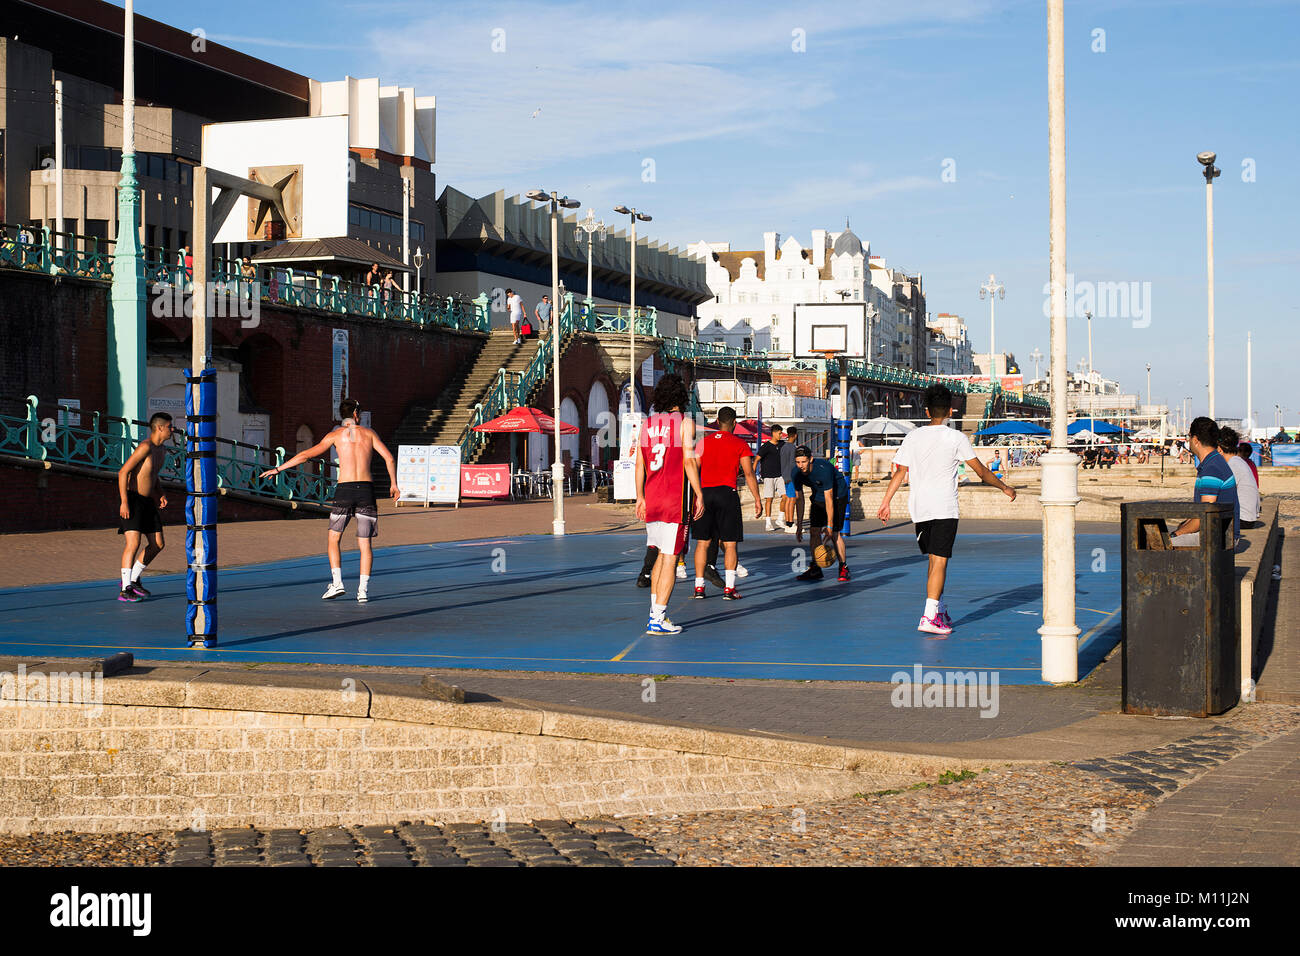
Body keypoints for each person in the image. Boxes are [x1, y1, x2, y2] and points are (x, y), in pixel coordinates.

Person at [877, 384, 1017, 636]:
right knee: (940, 562)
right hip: (944, 507)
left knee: (934, 561)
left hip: (919, 509)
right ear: (951, 411)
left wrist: (886, 501)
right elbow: (981, 471)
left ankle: (938, 609)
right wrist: (1005, 487)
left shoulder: (913, 436)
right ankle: (929, 616)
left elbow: (900, 471)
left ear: (927, 410)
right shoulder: (956, 438)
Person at [260, 398, 398, 603]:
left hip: (344, 490)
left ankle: (338, 583)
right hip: (366, 491)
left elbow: (306, 455)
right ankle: (363, 591)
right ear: (356, 415)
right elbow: (389, 458)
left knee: (334, 539)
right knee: (365, 543)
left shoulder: (335, 436)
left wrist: (278, 468)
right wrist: (393, 484)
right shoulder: (369, 434)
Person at [635, 373, 705, 634]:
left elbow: (640, 465)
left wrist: (640, 497)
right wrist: (699, 493)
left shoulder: (647, 424)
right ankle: (658, 617)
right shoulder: (685, 423)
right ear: (681, 397)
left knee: (658, 557)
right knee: (670, 559)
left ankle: (655, 613)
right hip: (675, 499)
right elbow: (689, 461)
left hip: (652, 498)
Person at [692, 406, 761, 600]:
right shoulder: (740, 444)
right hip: (727, 493)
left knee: (703, 543)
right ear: (734, 423)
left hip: (705, 493)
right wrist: (757, 499)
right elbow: (748, 473)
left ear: (717, 422)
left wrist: (696, 496)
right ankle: (729, 589)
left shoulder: (703, 443)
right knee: (730, 544)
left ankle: (699, 588)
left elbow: (693, 470)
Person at [116, 412, 175, 602]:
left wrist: (160, 493)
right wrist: (124, 502)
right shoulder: (145, 447)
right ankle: (125, 589)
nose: (172, 430)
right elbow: (123, 472)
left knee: (158, 544)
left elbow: (153, 475)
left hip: (149, 501)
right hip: (133, 500)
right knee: (133, 543)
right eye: (169, 427)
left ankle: (133, 579)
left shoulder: (162, 450)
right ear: (159, 427)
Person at [1170, 417, 1239, 547]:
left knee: (1158, 545)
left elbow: (1205, 515)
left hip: (1220, 538)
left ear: (1195, 440)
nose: (1188, 440)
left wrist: (1176, 534)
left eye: (1189, 437)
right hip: (1219, 532)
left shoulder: (1211, 469)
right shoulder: (1214, 461)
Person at [791, 444, 851, 583]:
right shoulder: (795, 473)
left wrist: (829, 526)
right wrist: (799, 526)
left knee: (835, 532)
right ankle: (815, 568)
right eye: (798, 462)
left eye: (804, 461)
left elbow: (829, 498)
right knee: (814, 531)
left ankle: (843, 567)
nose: (801, 465)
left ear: (810, 459)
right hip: (818, 496)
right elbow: (799, 500)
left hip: (837, 496)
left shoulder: (823, 469)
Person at [1219, 428, 1260, 529]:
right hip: (1248, 517)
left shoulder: (1233, 465)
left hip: (1243, 519)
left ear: (1219, 449)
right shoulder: (1237, 462)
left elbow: (1222, 495)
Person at [755, 424, 787, 531]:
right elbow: (757, 459)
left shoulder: (783, 444)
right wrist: (753, 472)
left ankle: (780, 519)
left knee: (785, 497)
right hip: (768, 476)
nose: (781, 435)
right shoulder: (766, 446)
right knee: (769, 499)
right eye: (779, 433)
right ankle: (768, 522)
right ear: (773, 433)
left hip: (780, 475)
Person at [780, 425, 800, 532]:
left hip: (784, 476)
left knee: (788, 499)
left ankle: (788, 522)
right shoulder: (792, 448)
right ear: (795, 435)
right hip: (791, 476)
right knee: (792, 499)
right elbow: (793, 464)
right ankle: (790, 523)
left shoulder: (783, 447)